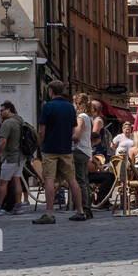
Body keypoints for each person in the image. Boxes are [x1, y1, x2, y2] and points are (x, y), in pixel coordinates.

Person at [33, 81, 86, 224]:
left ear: (50, 91)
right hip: (66, 148)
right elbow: (74, 128)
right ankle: (80, 211)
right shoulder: (70, 107)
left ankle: (49, 213)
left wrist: (40, 143)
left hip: (50, 148)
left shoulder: (47, 107)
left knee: (49, 179)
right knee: (72, 180)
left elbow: (41, 130)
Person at [0, 101, 28, 215]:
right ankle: (18, 206)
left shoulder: (8, 123)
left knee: (3, 183)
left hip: (10, 157)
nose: (1, 112)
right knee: (17, 180)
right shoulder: (20, 120)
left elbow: (2, 141)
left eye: (2, 110)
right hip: (20, 156)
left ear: (8, 110)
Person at [70, 94, 95, 220]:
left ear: (78, 104)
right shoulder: (89, 118)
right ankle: (87, 209)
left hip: (79, 150)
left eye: (74, 103)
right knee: (84, 181)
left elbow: (77, 136)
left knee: (80, 181)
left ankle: (84, 209)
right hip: (86, 151)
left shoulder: (81, 117)